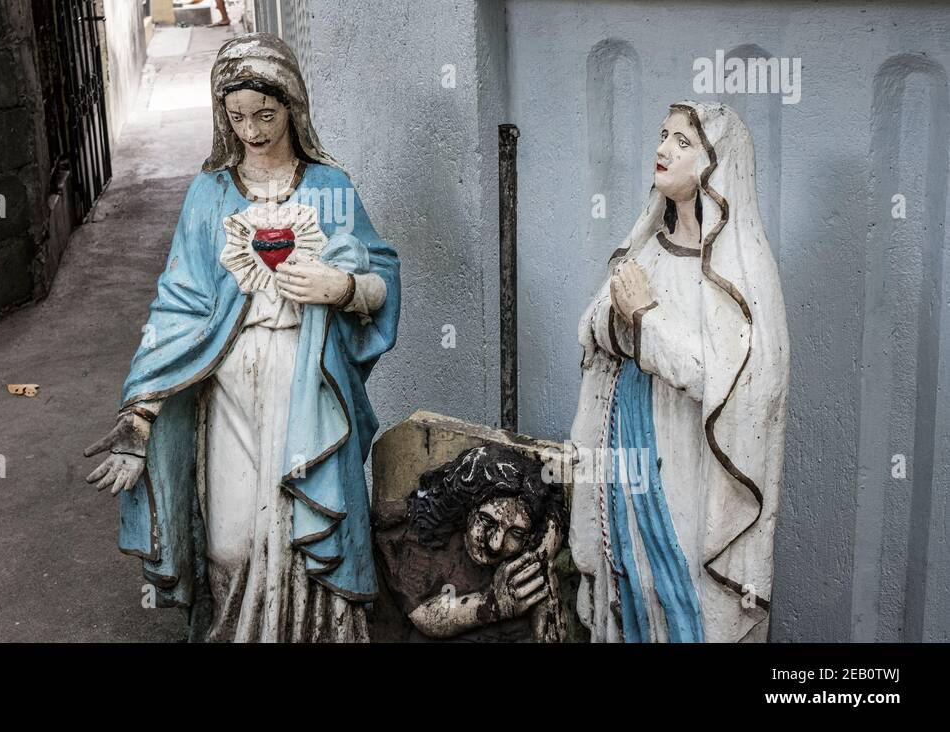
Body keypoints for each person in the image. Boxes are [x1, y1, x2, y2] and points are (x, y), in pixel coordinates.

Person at [84, 33, 401, 642]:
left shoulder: (330, 188)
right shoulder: (209, 195)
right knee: (230, 544)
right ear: (221, 116)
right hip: (227, 385)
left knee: (304, 530)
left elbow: (381, 276)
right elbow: (178, 304)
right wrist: (141, 412)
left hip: (309, 382)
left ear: (292, 108)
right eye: (237, 117)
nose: (253, 131)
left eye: (266, 114)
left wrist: (342, 288)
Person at [569, 102, 790, 643]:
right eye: (662, 135)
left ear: (718, 164)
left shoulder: (744, 271)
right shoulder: (647, 248)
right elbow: (591, 330)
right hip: (630, 450)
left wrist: (647, 320)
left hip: (693, 465)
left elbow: (735, 383)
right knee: (632, 583)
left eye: (682, 142)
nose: (662, 149)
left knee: (684, 590)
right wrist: (624, 319)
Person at [377, 444, 567, 642]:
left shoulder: (524, 558)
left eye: (516, 533)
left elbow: (554, 507)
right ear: (466, 507)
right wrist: (492, 604)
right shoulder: (423, 540)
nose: (496, 543)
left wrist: (543, 554)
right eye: (487, 521)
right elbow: (425, 617)